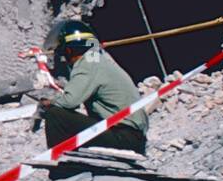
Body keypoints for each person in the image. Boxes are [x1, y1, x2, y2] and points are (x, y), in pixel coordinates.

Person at [37, 19, 148, 154]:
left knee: (55, 114)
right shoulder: (98, 59)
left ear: (69, 50)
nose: (64, 59)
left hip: (124, 137)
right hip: (131, 136)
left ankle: (62, 170)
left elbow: (70, 101)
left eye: (63, 53)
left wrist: (48, 104)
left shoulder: (88, 63)